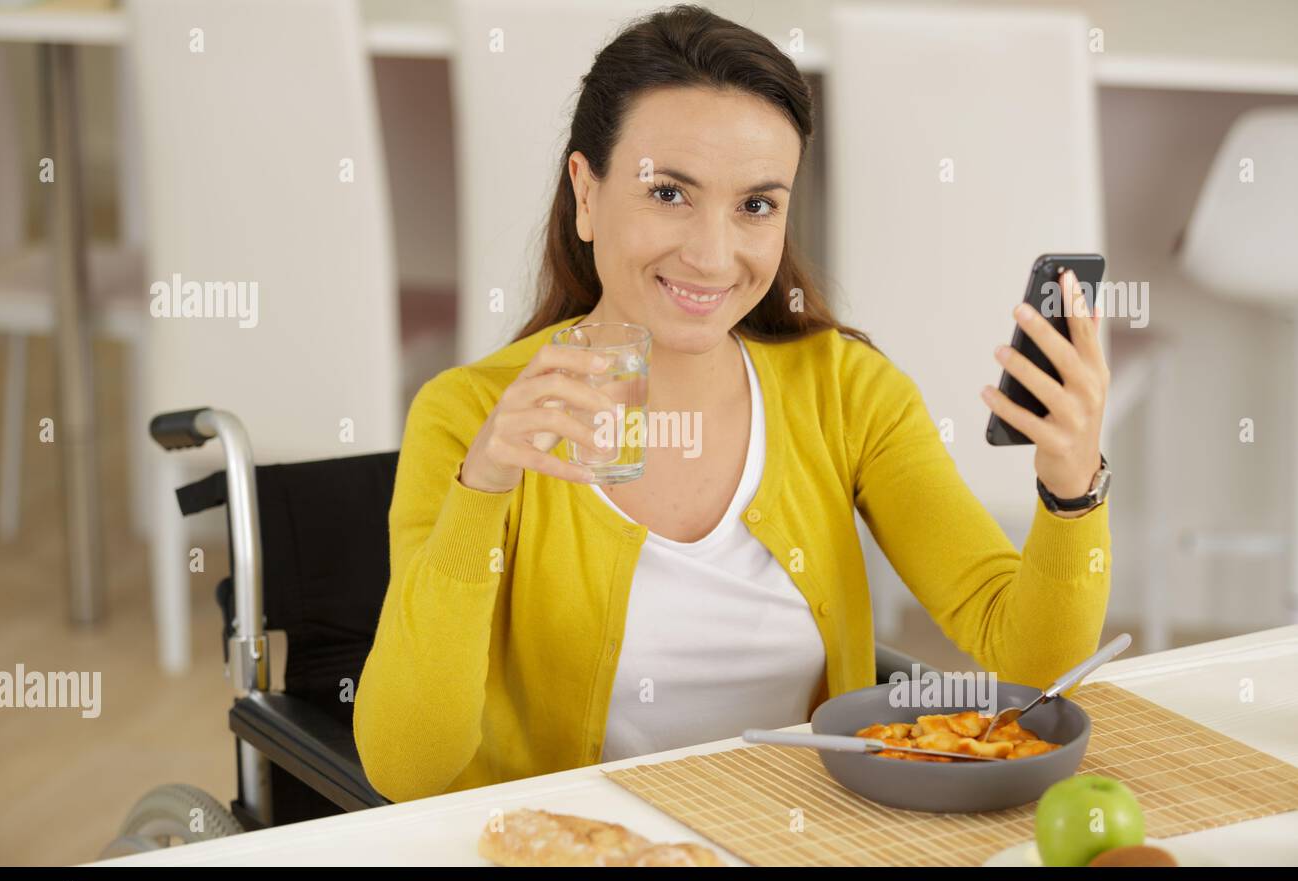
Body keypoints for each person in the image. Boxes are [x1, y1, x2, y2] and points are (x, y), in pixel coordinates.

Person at [354, 4, 1111, 802]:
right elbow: (409, 769)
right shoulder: (468, 417)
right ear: (585, 191)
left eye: (756, 205)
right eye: (669, 193)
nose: (714, 256)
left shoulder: (847, 390)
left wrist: (1072, 485)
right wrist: (485, 489)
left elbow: (1035, 670)